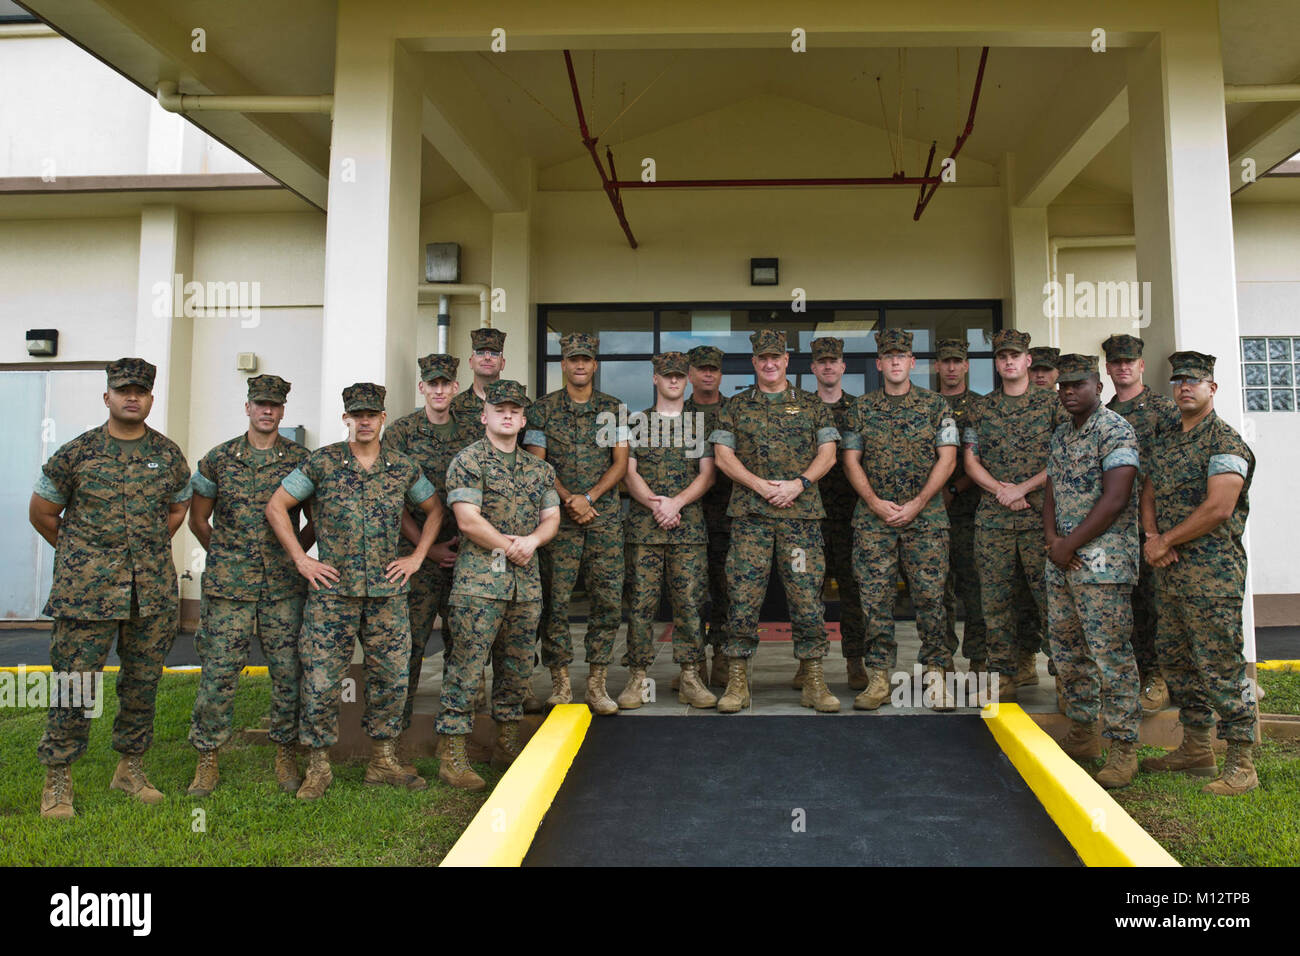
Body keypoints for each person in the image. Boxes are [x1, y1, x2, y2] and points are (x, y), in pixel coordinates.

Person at [30, 358, 192, 819]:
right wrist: (82, 554)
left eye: (140, 390)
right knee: (75, 685)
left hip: (151, 594)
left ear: (150, 399)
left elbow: (178, 509)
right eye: (123, 390)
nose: (132, 396)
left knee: (142, 684)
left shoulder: (167, 454)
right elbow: (42, 512)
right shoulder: (76, 453)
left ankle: (130, 768)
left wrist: (147, 549)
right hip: (87, 595)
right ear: (107, 397)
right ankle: (58, 778)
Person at [266, 382, 442, 800]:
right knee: (322, 681)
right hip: (333, 594)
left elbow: (435, 510)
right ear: (346, 418)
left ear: (383, 418)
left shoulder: (401, 467)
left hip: (387, 594)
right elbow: (276, 507)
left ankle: (383, 761)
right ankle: (319, 767)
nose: (364, 421)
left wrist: (418, 557)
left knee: (392, 679)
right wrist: (301, 559)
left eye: (371, 414)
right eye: (356, 415)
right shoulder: (322, 463)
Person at [186, 374, 313, 797]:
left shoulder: (300, 459)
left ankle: (284, 752)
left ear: (282, 410)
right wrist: (224, 554)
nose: (267, 411)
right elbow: (199, 519)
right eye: (260, 403)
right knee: (219, 674)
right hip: (229, 588)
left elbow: (315, 519)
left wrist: (293, 551)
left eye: (274, 405)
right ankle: (207, 759)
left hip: (283, 587)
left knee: (288, 673)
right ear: (247, 408)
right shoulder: (218, 459)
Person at [1140, 351, 1259, 796]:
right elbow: (1148, 489)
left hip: (1212, 576)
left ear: (1213, 388)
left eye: (1194, 381)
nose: (1184, 387)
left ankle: (1242, 763)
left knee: (1220, 667)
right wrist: (1152, 536)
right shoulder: (1166, 436)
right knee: (1177, 662)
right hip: (1169, 574)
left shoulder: (1225, 441)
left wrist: (1165, 541)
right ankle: (1195, 748)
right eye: (1178, 381)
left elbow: (1219, 507)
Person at [437, 381, 561, 791]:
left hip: (525, 587)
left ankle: (506, 744)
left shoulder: (540, 468)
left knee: (517, 668)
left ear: (523, 420)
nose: (507, 415)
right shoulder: (468, 461)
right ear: (485, 415)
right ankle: (452, 754)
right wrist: (512, 545)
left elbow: (552, 518)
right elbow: (467, 520)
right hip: (479, 584)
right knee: (467, 669)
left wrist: (534, 541)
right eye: (499, 409)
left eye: (514, 410)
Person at [709, 329, 841, 713]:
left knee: (805, 597)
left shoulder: (814, 405)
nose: (769, 363)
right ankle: (737, 681)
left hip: (799, 519)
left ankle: (813, 678)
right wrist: (759, 486)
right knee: (743, 597)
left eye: (776, 357)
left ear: (786, 361)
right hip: (752, 519)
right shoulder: (734, 407)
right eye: (762, 358)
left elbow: (829, 453)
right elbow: (722, 456)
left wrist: (798, 484)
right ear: (754, 363)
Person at [841, 329, 959, 711]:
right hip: (874, 521)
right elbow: (850, 460)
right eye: (888, 356)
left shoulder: (935, 405)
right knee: (875, 599)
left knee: (932, 599)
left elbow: (948, 458)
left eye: (902, 355)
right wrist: (874, 502)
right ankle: (878, 677)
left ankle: (936, 672)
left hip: (926, 520)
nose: (894, 361)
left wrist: (920, 502)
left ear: (912, 362)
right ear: (879, 364)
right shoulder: (861, 408)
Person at [1042, 354, 1142, 788]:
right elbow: (1050, 489)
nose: (1068, 391)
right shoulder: (1061, 434)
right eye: (1063, 385)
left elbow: (1116, 498)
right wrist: (1051, 541)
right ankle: (1083, 732)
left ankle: (1123, 747)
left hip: (1103, 564)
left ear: (1097, 387)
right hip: (1062, 561)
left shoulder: (1115, 430)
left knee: (1110, 655)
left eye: (1077, 384)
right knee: (1067, 650)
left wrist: (1068, 544)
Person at [384, 353, 487, 767]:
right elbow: (394, 501)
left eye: (447, 383)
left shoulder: (472, 430)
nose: (440, 390)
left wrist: (462, 540)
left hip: (466, 553)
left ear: (456, 388)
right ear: (422, 388)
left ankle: (453, 738)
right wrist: (427, 549)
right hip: (417, 558)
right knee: (408, 642)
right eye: (433, 383)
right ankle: (396, 738)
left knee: (463, 644)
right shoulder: (401, 433)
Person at [524, 332, 629, 714]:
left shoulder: (614, 408)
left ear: (594, 364)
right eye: (573, 359)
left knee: (607, 600)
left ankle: (597, 684)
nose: (580, 365)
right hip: (558, 520)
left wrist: (589, 498)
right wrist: (569, 498)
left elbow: (620, 463)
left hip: (602, 519)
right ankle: (561, 682)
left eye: (586, 359)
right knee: (556, 601)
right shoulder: (542, 410)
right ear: (564, 364)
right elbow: (538, 462)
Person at [962, 330, 1069, 701]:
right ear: (996, 364)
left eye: (1015, 356)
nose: (1009, 361)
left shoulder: (1052, 404)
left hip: (1041, 519)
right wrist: (1000, 491)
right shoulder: (982, 407)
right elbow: (970, 460)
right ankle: (1003, 673)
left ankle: (1066, 678)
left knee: (1051, 601)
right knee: (995, 601)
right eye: (1002, 356)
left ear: (1028, 361)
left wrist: (1021, 489)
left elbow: (1063, 457)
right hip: (994, 520)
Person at [623, 352, 717, 709]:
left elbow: (707, 474)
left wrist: (675, 503)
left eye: (679, 376)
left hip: (687, 530)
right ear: (655, 379)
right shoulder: (636, 423)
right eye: (667, 376)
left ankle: (691, 675)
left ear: (687, 379)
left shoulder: (700, 424)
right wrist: (655, 505)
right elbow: (628, 472)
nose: (674, 382)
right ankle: (637, 677)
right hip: (645, 530)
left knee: (690, 605)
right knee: (641, 606)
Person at [1103, 333, 1180, 716]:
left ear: (1142, 365)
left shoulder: (1164, 410)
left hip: (1153, 524)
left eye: (1129, 361)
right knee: (1126, 606)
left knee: (1157, 604)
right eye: (1116, 362)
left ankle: (1159, 676)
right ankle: (1133, 673)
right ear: (1107, 367)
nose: (1122, 367)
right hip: (1115, 527)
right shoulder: (1105, 413)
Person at [804, 336, 868, 692]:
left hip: (851, 516)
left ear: (843, 367)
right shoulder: (801, 409)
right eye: (822, 362)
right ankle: (808, 664)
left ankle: (855, 660)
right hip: (811, 514)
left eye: (834, 361)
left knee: (852, 590)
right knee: (807, 592)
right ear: (813, 369)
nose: (828, 366)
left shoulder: (860, 410)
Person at [936, 338, 987, 673]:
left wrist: (954, 487)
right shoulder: (926, 404)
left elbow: (983, 458)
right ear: (937, 367)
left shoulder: (982, 407)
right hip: (932, 513)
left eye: (958, 362)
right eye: (946, 362)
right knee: (937, 592)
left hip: (970, 511)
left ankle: (979, 658)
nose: (952, 368)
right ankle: (942, 659)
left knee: (975, 589)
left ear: (966, 365)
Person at [685, 345, 732, 689]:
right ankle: (693, 664)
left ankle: (723, 660)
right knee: (689, 593)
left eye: (713, 369)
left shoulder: (736, 410)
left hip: (729, 514)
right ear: (690, 374)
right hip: (686, 515)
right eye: (701, 369)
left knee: (727, 590)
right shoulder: (674, 413)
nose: (708, 374)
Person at [449, 327, 507, 436]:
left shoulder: (517, 406)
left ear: (503, 363)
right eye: (480, 352)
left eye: (494, 353)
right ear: (471, 362)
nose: (487, 357)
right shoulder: (453, 408)